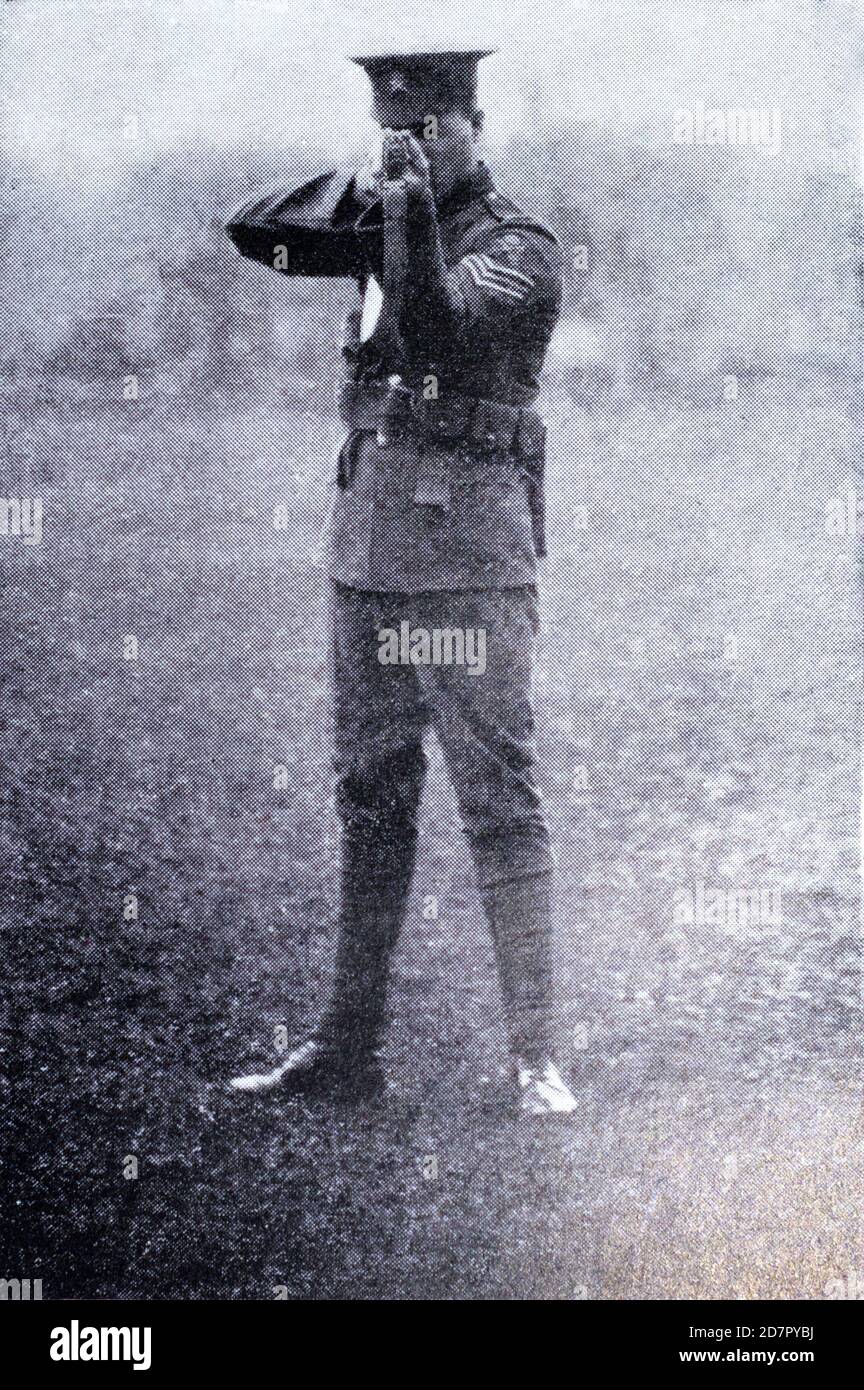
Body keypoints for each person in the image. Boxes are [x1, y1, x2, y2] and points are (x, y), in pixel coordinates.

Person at [225, 44, 577, 1114]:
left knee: (497, 803)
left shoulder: (519, 246)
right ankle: (347, 1051)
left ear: (475, 125)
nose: (417, 143)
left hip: (467, 563)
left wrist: (410, 212)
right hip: (370, 558)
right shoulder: (383, 215)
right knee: (371, 803)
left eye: (431, 127)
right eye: (398, 127)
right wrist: (365, 186)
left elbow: (434, 327)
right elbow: (255, 230)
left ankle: (536, 1058)